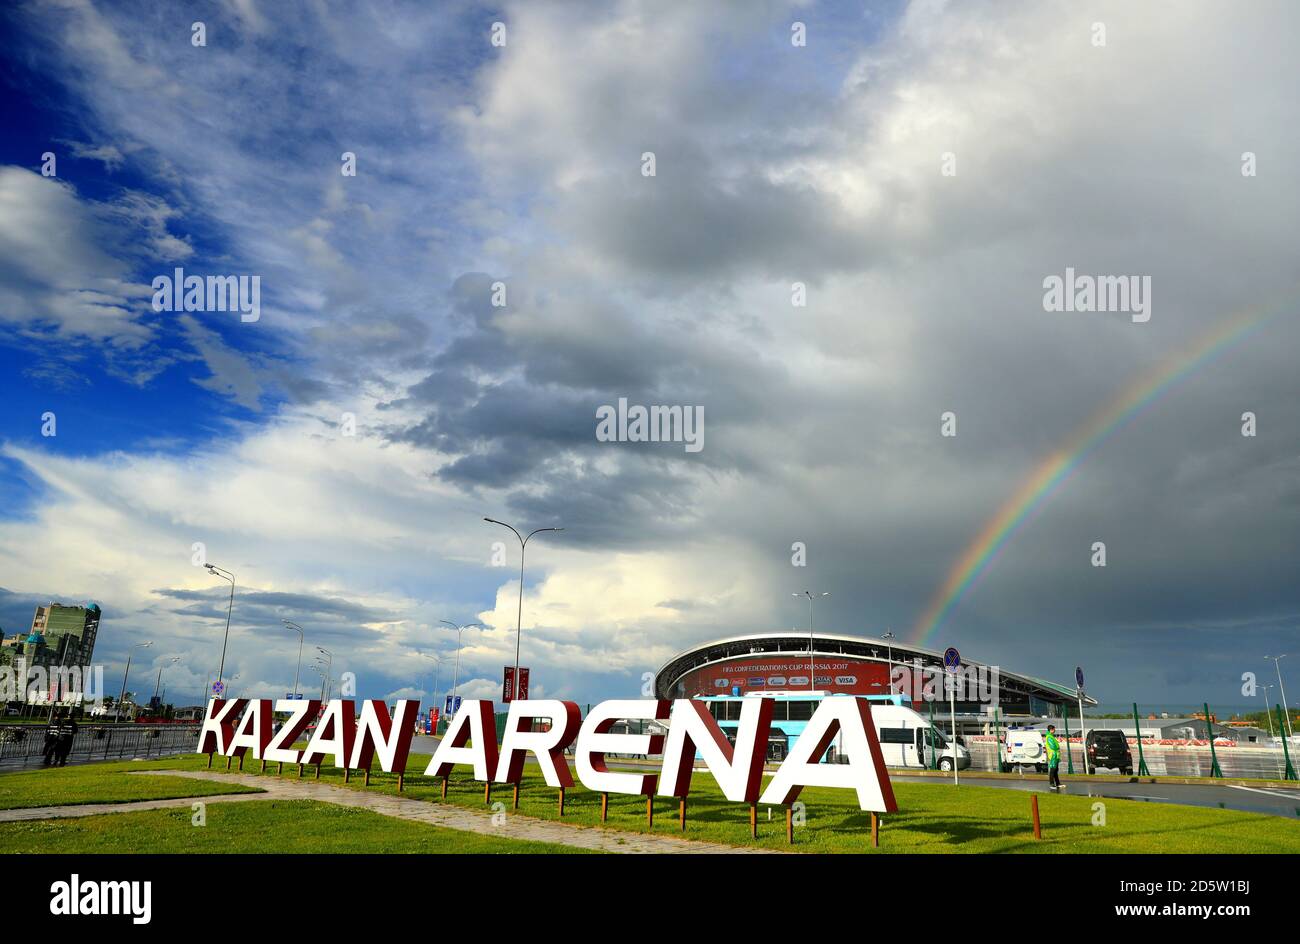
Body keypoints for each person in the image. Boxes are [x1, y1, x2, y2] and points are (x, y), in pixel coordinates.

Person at [1045, 723, 1062, 790]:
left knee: (1055, 770)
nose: (1055, 730)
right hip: (1053, 755)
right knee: (1052, 770)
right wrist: (1057, 749)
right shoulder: (1049, 737)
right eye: (1054, 729)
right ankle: (1052, 783)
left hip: (1055, 755)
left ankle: (1057, 783)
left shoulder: (1051, 736)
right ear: (1051, 730)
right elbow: (1053, 746)